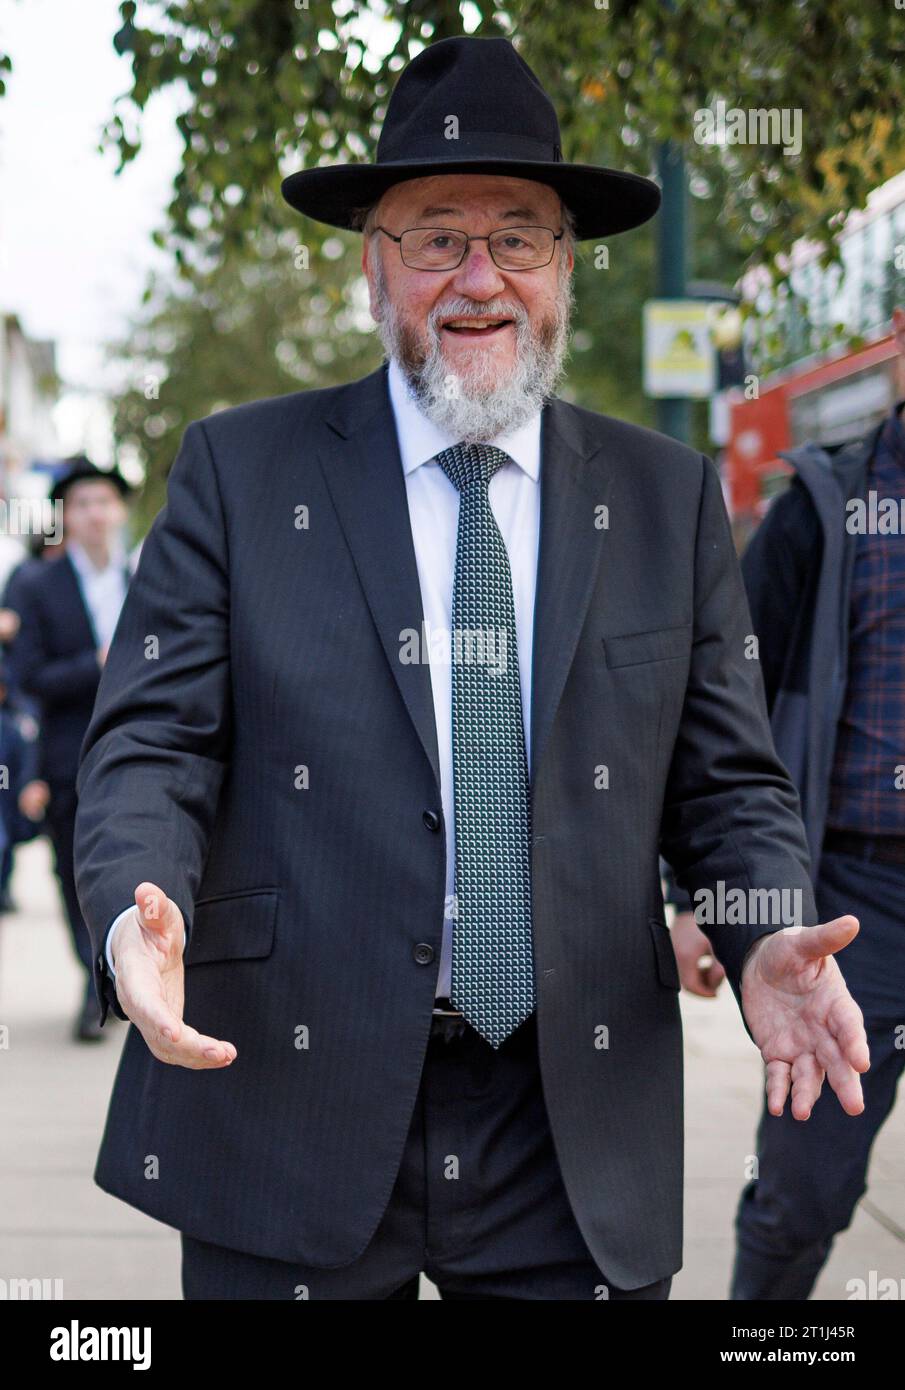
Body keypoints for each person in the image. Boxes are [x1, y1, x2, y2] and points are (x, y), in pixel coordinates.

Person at [74, 36, 868, 1301]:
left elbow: (728, 783)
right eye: (436, 237)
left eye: (518, 237)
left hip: (570, 1126)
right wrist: (135, 911)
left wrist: (763, 927)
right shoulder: (240, 472)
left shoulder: (663, 500)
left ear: (566, 266)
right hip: (288, 1094)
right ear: (373, 267)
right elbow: (151, 743)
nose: (480, 276)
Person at [668, 306, 905, 1300]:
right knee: (801, 1192)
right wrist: (698, 896)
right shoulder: (821, 505)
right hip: (853, 900)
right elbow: (719, 708)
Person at [14, 458, 135, 1040]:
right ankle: (94, 981)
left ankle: (124, 976)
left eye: (103, 502)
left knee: (135, 864)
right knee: (73, 872)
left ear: (120, 511)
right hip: (69, 756)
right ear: (65, 516)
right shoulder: (37, 584)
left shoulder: (144, 577)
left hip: (138, 748)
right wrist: (97, 664)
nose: (94, 514)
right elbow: (27, 675)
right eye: (82, 504)